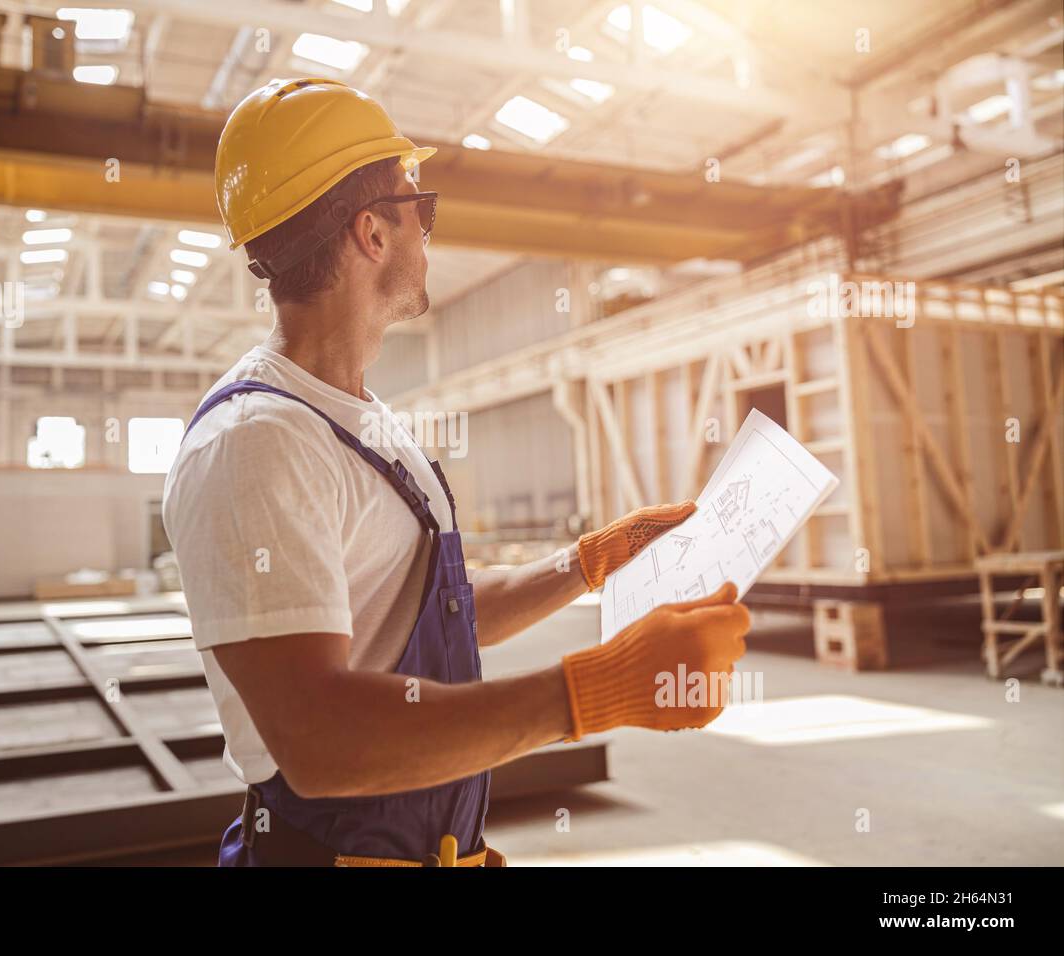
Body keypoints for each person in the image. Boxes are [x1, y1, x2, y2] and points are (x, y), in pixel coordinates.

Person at [162, 78, 750, 868]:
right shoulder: (256, 444)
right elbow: (319, 740)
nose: (429, 234)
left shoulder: (361, 417)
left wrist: (585, 564)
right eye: (421, 207)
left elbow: (424, 621)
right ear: (372, 233)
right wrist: (595, 689)